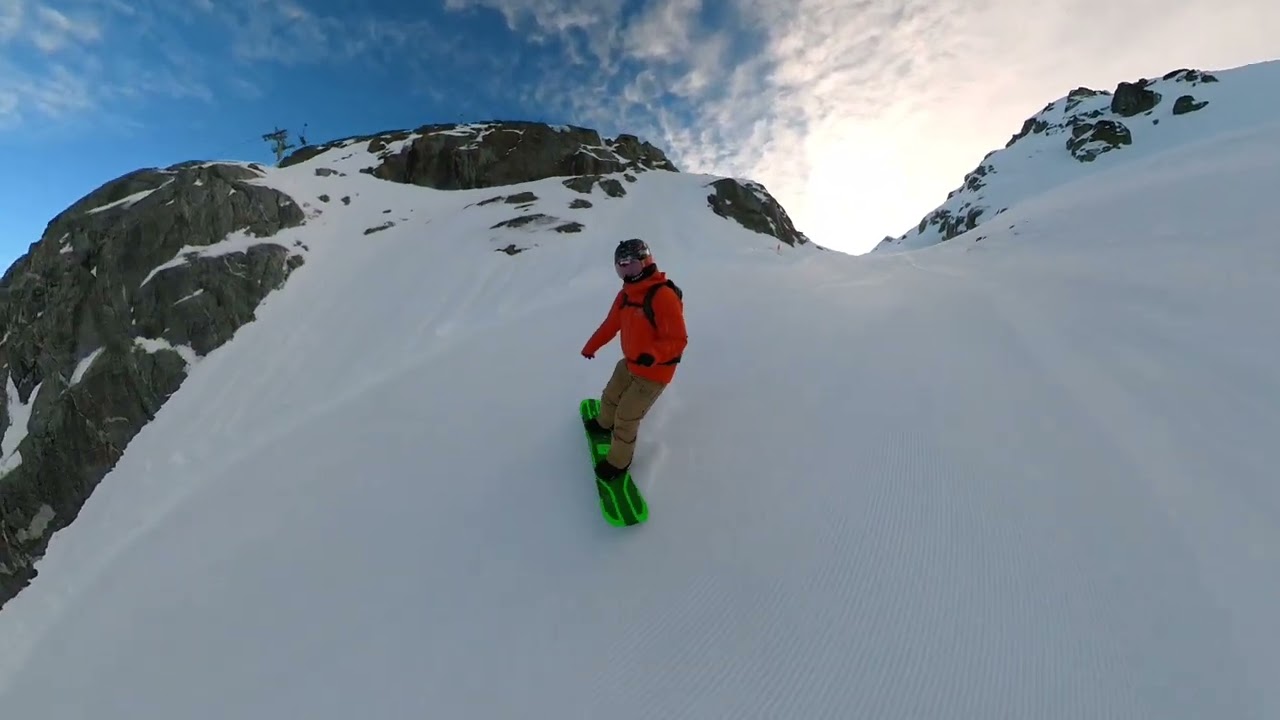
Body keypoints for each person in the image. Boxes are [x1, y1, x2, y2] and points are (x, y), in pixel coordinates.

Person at [581, 238, 687, 480]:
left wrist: (654, 355)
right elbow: (611, 324)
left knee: (626, 416)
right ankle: (603, 424)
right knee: (610, 394)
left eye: (631, 265)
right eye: (621, 267)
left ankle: (618, 463)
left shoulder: (662, 295)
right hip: (630, 363)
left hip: (654, 373)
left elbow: (678, 339)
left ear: (645, 262)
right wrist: (591, 346)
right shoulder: (626, 295)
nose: (627, 273)